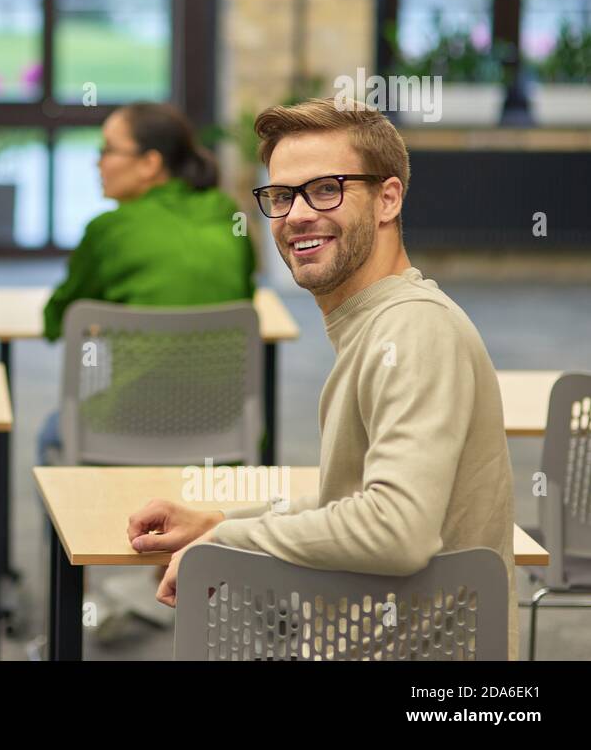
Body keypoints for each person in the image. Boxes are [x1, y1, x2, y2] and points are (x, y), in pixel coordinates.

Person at [127, 97, 518, 660]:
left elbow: (395, 530)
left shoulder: (412, 331)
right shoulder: (379, 325)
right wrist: (221, 519)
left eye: (327, 189)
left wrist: (228, 542)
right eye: (283, 195)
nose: (298, 215)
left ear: (388, 199)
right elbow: (354, 500)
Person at [37, 102, 256, 464]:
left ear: (150, 163)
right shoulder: (227, 216)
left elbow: (56, 321)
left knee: (51, 433)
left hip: (123, 428)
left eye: (107, 150)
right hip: (224, 432)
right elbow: (241, 301)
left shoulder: (109, 231)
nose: (98, 162)